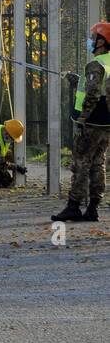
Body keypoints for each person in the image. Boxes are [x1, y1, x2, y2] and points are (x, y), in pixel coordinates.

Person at [54, 21, 110, 222]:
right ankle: (93, 208)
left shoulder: (96, 64)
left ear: (102, 42)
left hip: (91, 123)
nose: (90, 41)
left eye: (94, 38)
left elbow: (94, 92)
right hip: (106, 124)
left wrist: (82, 118)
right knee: (98, 163)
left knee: (81, 164)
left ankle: (73, 206)